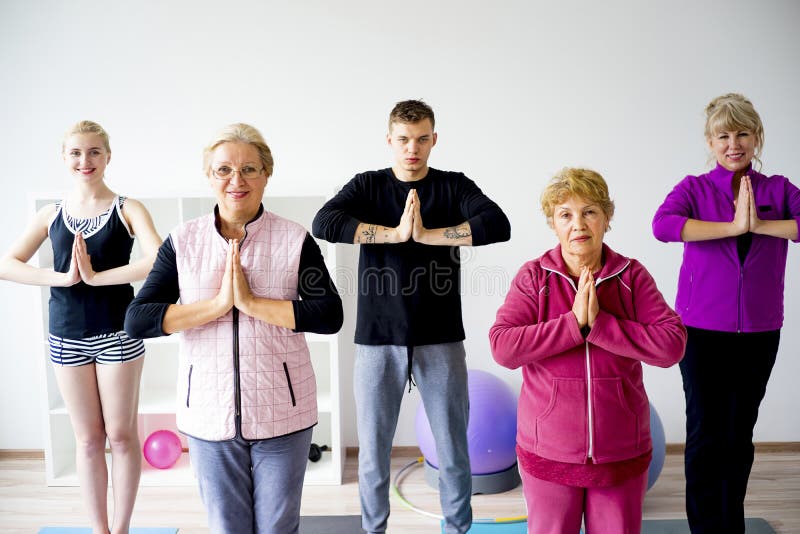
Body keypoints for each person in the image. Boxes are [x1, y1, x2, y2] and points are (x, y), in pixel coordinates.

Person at [124, 123, 343, 534]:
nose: (236, 180)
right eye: (223, 170)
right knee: (228, 527)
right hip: (208, 414)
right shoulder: (183, 242)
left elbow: (329, 314)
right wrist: (218, 306)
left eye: (249, 169)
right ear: (209, 177)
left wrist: (253, 304)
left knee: (278, 526)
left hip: (284, 415)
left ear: (266, 174)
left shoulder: (296, 240)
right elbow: (137, 319)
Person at [312, 99, 510, 534]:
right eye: (403, 139)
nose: (412, 149)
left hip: (440, 337)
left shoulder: (453, 187)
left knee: (455, 450)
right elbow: (323, 222)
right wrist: (394, 234)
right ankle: (374, 530)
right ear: (389, 140)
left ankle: (458, 528)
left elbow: (498, 223)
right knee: (374, 453)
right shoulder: (368, 186)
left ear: (434, 139)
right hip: (377, 338)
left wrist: (428, 235)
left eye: (421, 139)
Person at [490, 168, 686, 533]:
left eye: (589, 212)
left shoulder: (632, 277)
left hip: (621, 455)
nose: (578, 224)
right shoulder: (534, 277)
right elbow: (503, 346)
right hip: (548, 454)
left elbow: (671, 344)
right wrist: (571, 325)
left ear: (607, 217)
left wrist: (600, 326)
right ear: (553, 222)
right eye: (565, 214)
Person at [0, 120, 162, 534]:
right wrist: (62, 277)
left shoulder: (128, 208)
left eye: (93, 152)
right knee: (88, 439)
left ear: (108, 156)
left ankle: (121, 528)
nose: (84, 160)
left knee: (121, 435)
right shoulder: (50, 212)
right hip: (65, 336)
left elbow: (159, 259)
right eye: (76, 152)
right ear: (64, 158)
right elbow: (6, 264)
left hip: (117, 334)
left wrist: (97, 277)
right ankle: (99, 529)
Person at [652, 93, 800, 533]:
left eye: (742, 133)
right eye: (723, 135)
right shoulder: (694, 189)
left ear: (756, 138)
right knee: (704, 434)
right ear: (710, 141)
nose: (733, 143)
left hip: (759, 331)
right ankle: (704, 528)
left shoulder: (777, 189)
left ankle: (729, 525)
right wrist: (732, 228)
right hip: (701, 332)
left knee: (739, 435)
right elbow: (663, 225)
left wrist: (759, 225)